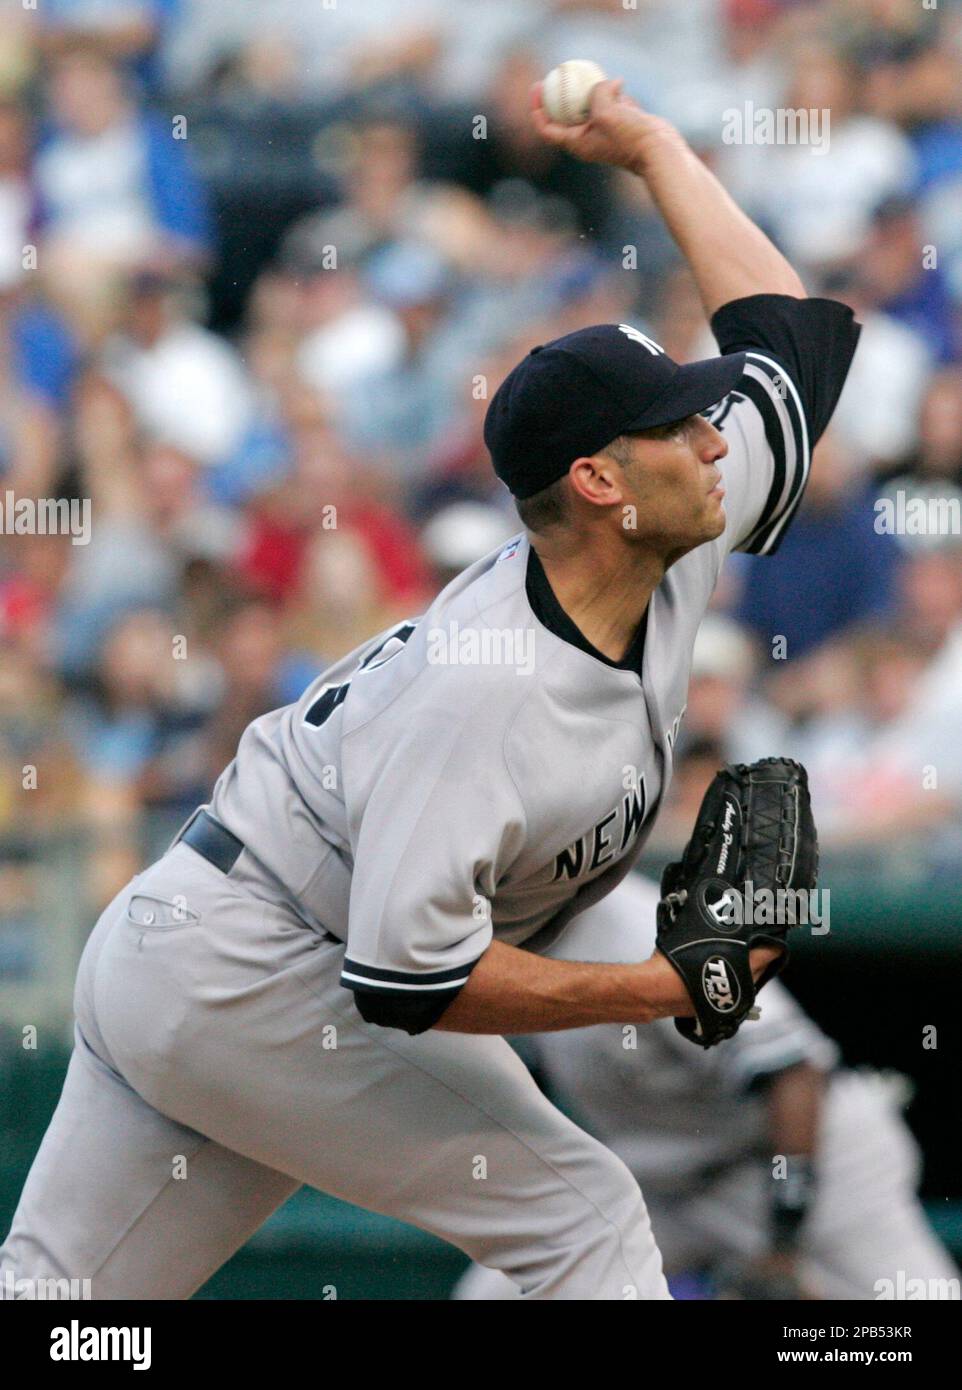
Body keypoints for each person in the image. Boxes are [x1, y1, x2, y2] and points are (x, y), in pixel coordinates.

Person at [0, 77, 859, 1301]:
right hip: (264, 963)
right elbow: (412, 981)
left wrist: (653, 149)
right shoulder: (486, 693)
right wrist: (652, 992)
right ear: (600, 482)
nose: (714, 437)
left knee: (64, 1307)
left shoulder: (670, 535)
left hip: (194, 947)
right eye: (680, 425)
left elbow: (794, 344)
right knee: (583, 1220)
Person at [453, 874, 960, 1301]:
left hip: (797, 1165)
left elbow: (793, 1074)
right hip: (660, 1185)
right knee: (497, 1295)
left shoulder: (651, 930)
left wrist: (782, 1245)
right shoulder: (499, 934)